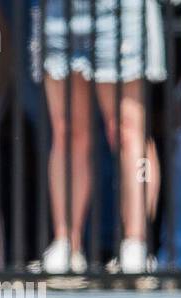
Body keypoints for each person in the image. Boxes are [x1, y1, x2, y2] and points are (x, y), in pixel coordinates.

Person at [32, 0, 167, 274]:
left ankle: (135, 245)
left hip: (120, 9)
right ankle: (66, 244)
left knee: (127, 128)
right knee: (66, 130)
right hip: (58, 11)